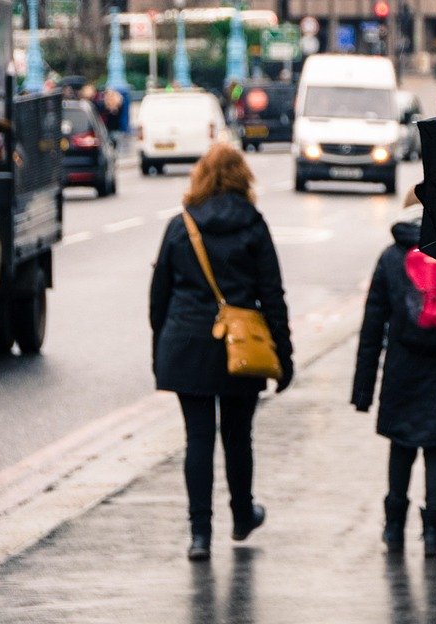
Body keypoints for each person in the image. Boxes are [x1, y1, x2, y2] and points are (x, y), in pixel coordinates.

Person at [149, 145, 293, 562]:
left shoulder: (182, 225)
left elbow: (158, 296)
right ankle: (243, 515)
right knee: (237, 435)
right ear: (241, 177)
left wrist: (159, 348)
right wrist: (284, 356)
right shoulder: (254, 224)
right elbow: (273, 296)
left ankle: (199, 534)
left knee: (197, 438)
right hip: (241, 348)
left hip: (186, 344)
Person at [351, 190, 436, 557]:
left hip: (402, 370)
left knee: (401, 448)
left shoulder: (390, 257)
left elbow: (372, 327)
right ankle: (433, 533)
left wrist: (363, 391)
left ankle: (393, 527)